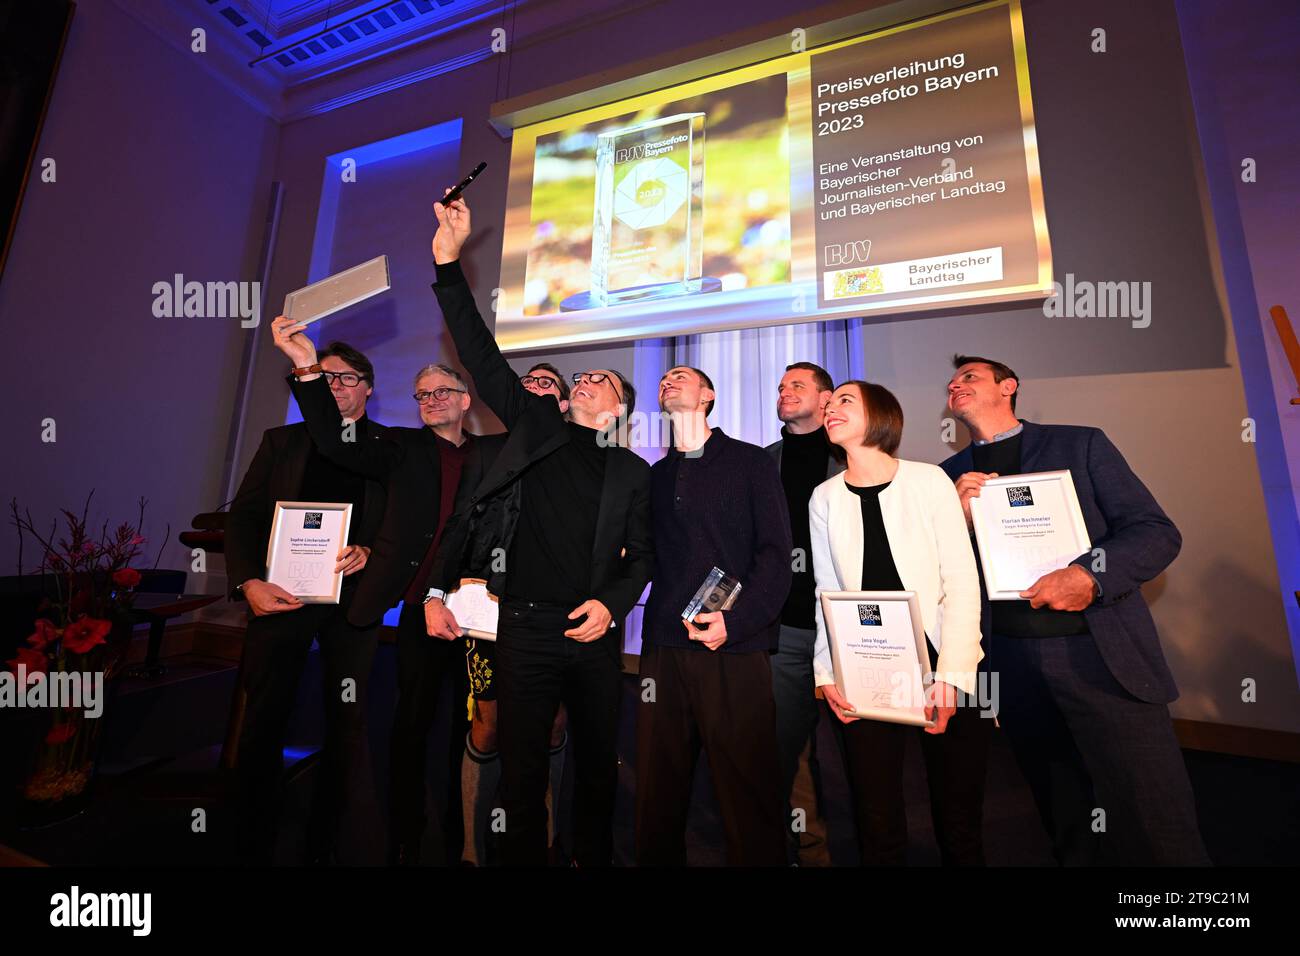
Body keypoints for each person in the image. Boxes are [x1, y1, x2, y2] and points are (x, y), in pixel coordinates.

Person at [424, 190, 652, 866]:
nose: (585, 380)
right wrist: (447, 264)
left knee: (594, 765)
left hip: (591, 638)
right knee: (521, 766)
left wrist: (611, 607)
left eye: (601, 381)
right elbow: (478, 352)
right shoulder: (535, 426)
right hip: (520, 626)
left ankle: (588, 856)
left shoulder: (634, 472)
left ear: (618, 410)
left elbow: (640, 557)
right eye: (581, 375)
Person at [940, 354, 1209, 865]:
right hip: (1012, 668)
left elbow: (1155, 533)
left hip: (1098, 654)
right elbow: (944, 578)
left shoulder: (1079, 443)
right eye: (952, 381)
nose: (955, 385)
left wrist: (1089, 575)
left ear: (1009, 386)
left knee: (1153, 816)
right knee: (1064, 818)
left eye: (969, 377)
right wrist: (956, 525)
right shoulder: (947, 477)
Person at [268, 322, 493, 866]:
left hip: (476, 610)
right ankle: (403, 838)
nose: (432, 400)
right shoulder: (397, 445)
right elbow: (329, 437)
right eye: (422, 393)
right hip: (414, 604)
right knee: (410, 724)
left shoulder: (492, 454)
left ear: (465, 400)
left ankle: (462, 834)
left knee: (470, 725)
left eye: (443, 390)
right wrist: (305, 368)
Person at [811, 380, 988, 866]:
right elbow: (826, 594)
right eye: (829, 403)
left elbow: (961, 581)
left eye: (845, 400)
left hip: (943, 658)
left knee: (957, 811)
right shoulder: (824, 497)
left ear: (882, 415)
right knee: (876, 811)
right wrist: (827, 676)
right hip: (865, 662)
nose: (830, 408)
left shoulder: (929, 480)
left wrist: (952, 678)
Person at [225, 341, 384, 865]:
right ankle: (250, 832)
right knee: (264, 715)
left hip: (352, 603)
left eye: (345, 378)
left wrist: (370, 549)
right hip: (279, 596)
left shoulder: (387, 447)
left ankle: (332, 836)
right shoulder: (281, 442)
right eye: (325, 377)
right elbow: (244, 517)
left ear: (368, 387)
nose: (334, 386)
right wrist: (249, 583)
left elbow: (401, 523)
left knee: (347, 720)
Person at [635, 365, 792, 866]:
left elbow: (774, 552)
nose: (668, 381)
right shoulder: (654, 476)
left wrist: (738, 621)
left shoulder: (750, 462)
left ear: (708, 396)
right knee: (658, 785)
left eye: (681, 376)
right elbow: (645, 557)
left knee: (747, 784)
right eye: (663, 379)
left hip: (735, 645)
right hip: (663, 646)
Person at [448, 362, 572, 866]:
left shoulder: (577, 457)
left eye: (547, 385)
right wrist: (443, 591)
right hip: (487, 610)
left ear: (562, 405)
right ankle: (473, 849)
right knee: (488, 723)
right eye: (528, 383)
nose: (535, 389)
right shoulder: (482, 451)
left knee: (553, 724)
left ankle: (545, 838)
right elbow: (459, 523)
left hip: (554, 614)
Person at [763, 361, 846, 865]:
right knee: (783, 746)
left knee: (865, 751)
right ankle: (803, 849)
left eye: (797, 385)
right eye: (780, 387)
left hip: (851, 628)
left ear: (827, 397)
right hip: (787, 629)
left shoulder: (856, 457)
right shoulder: (760, 461)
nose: (785, 392)